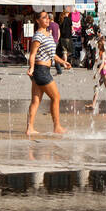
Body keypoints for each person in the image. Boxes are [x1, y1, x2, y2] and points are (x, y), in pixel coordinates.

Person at [26, 8, 72, 137]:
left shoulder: (49, 34)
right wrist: (32, 68)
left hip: (44, 70)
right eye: (44, 17)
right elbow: (32, 54)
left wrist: (63, 62)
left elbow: (52, 55)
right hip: (41, 71)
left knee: (35, 101)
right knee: (56, 97)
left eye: (48, 17)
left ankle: (30, 128)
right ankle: (57, 126)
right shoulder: (38, 35)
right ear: (37, 20)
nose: (47, 19)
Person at [91, 37, 106, 113]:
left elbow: (102, 64)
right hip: (103, 72)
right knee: (97, 87)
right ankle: (93, 104)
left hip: (104, 72)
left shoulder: (103, 53)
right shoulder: (100, 53)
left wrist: (97, 72)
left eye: (98, 46)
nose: (97, 47)